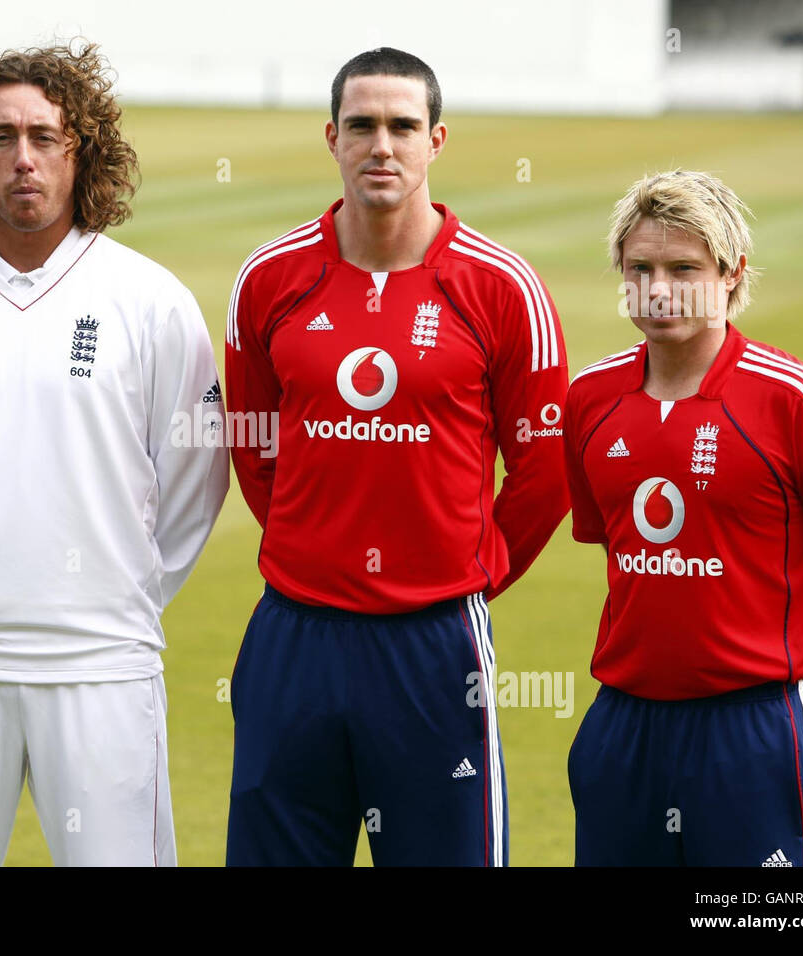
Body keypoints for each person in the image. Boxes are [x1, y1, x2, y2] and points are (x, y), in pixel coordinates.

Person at [0, 43, 228, 867]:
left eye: (45, 137)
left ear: (81, 151)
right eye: (1, 138)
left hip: (102, 660)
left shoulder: (151, 300)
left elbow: (196, 477)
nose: (23, 159)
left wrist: (118, 590)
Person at [224, 48, 569, 866]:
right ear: (332, 138)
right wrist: (321, 551)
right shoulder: (270, 278)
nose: (383, 145)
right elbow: (252, 442)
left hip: (436, 641)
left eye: (403, 126)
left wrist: (466, 572)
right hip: (293, 632)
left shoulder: (502, 287)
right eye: (363, 125)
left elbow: (544, 471)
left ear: (436, 139)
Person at [564, 170, 803, 866]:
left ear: (731, 277)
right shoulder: (588, 398)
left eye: (685, 269)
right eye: (640, 268)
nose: (659, 288)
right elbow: (616, 547)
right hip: (625, 722)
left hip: (758, 724)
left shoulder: (796, 399)